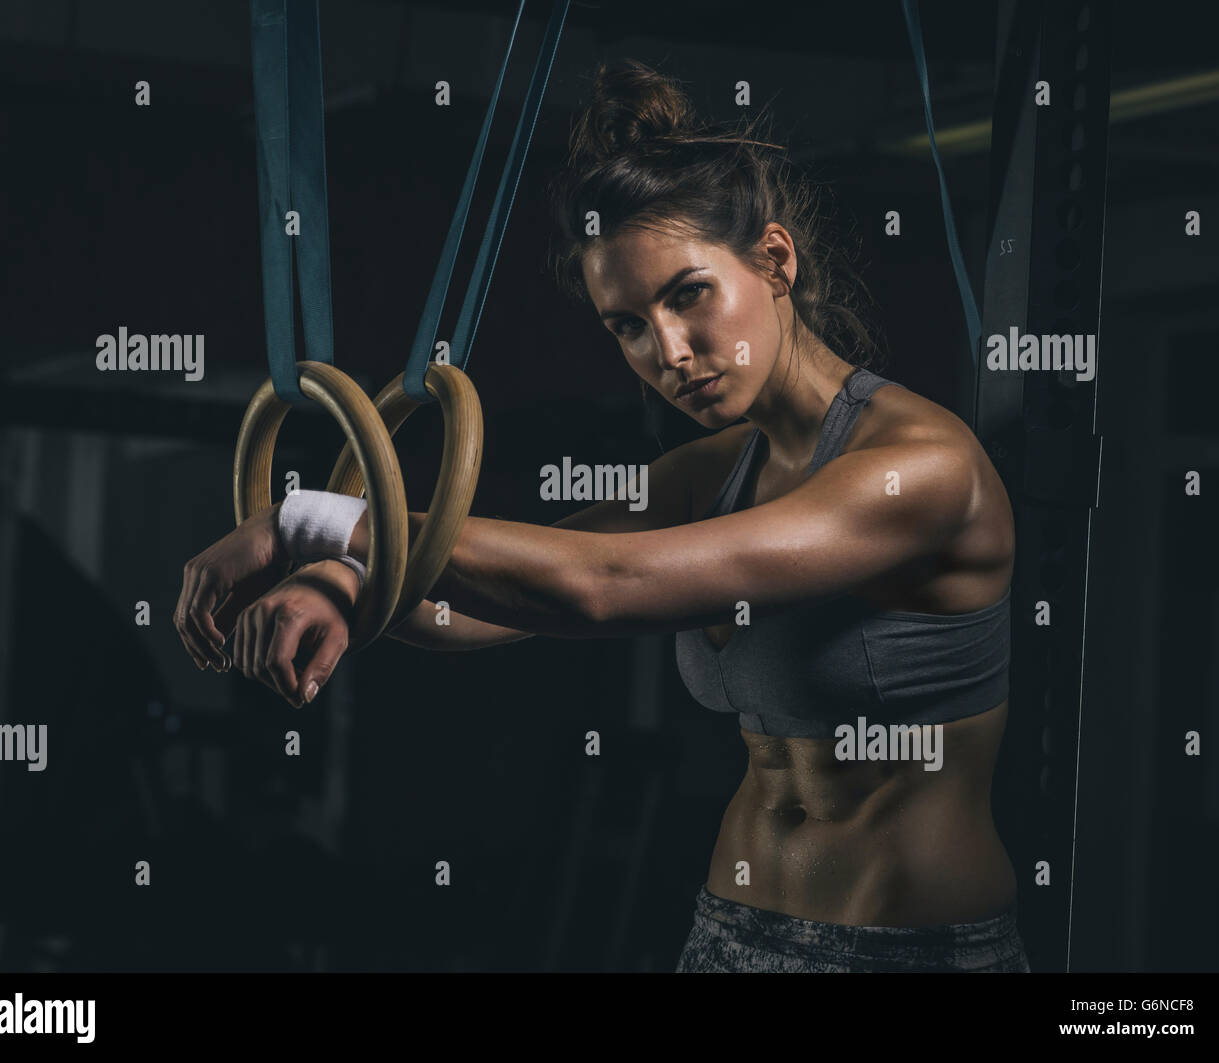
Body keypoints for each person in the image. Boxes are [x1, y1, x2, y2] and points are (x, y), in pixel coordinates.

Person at [175, 59, 1028, 973]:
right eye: (626, 325)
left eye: (688, 293)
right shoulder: (711, 471)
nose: (668, 351)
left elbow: (603, 586)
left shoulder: (921, 470)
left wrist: (306, 523)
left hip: (905, 955)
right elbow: (483, 600)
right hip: (729, 936)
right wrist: (348, 584)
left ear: (775, 261)